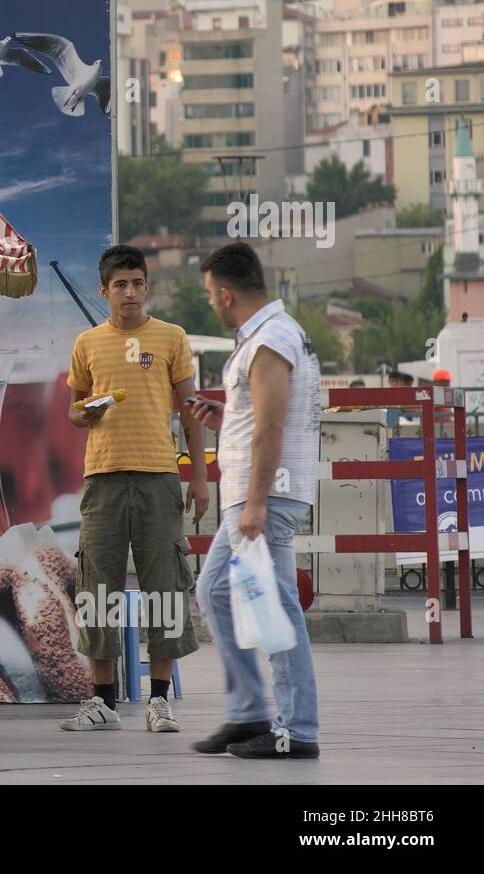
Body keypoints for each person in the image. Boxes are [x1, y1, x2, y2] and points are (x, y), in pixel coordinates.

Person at [61, 245, 207, 733]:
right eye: (119, 284)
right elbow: (74, 411)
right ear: (104, 291)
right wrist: (89, 412)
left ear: (148, 287)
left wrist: (201, 475)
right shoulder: (87, 343)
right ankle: (102, 701)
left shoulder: (172, 337)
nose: (129, 292)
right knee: (96, 589)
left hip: (159, 477)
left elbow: (191, 410)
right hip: (101, 479)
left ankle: (159, 699)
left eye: (137, 283)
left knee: (165, 588)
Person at [190, 242, 322, 759]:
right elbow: (262, 420)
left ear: (226, 294)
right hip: (255, 494)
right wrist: (225, 421)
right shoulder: (269, 336)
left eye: (208, 294)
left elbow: (271, 426)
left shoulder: (272, 339)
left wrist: (257, 503)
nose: (210, 304)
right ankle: (249, 713)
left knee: (278, 607)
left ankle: (297, 729)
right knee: (217, 592)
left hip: (265, 496)